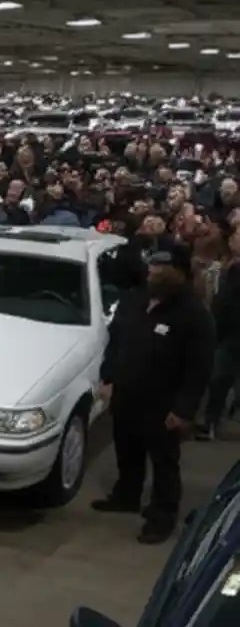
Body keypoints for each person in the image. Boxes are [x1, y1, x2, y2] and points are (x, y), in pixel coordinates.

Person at [94, 243, 215, 545]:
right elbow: (117, 341)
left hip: (162, 403)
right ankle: (126, 495)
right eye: (152, 265)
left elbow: (199, 367)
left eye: (162, 266)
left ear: (179, 271)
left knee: (163, 462)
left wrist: (184, 410)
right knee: (127, 448)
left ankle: (161, 517)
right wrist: (108, 379)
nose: (154, 271)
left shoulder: (193, 314)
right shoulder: (135, 300)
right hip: (126, 394)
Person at [200, 225, 240, 441]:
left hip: (231, 334)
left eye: (237, 237)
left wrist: (217, 329)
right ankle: (212, 422)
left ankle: (211, 423)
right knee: (220, 381)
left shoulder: (235, 270)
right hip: (230, 333)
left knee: (219, 379)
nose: (233, 240)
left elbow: (227, 304)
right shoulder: (229, 265)